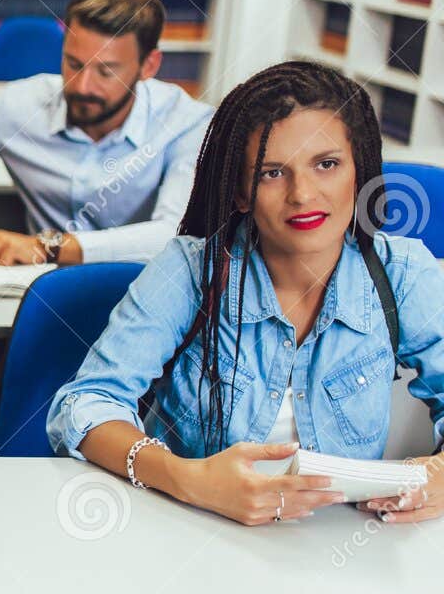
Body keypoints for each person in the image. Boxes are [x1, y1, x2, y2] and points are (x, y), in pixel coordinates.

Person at [47, 61, 444, 527]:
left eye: (327, 164)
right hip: (188, 533)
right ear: (239, 193)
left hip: (336, 552)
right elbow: (86, 403)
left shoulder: (403, 273)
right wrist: (187, 478)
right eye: (272, 173)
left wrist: (439, 473)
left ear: (361, 174)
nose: (303, 194)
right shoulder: (192, 270)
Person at [0, 0, 214, 266]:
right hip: (38, 289)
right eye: (74, 64)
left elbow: (174, 235)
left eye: (106, 71)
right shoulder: (19, 105)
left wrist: (49, 247)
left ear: (148, 65)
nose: (83, 86)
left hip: (139, 290)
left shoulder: (188, 124)